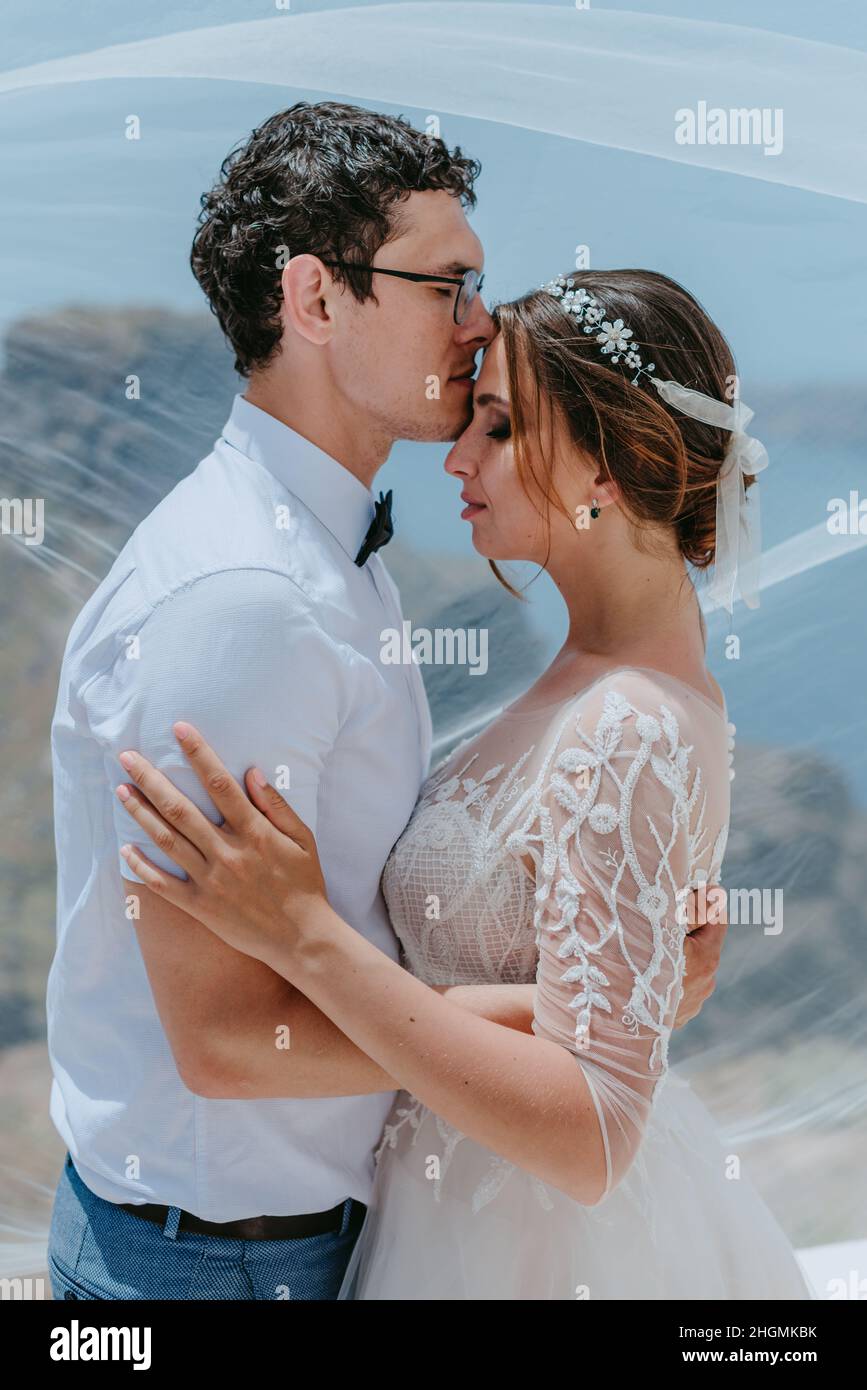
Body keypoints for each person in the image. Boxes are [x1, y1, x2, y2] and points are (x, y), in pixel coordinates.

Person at [44, 100, 727, 1302]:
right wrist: (576, 1017)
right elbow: (225, 1039)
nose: (478, 326)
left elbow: (349, 930)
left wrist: (586, 1009)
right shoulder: (250, 602)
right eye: (447, 287)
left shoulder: (324, 561)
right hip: (216, 1264)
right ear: (315, 300)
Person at [110, 268, 814, 1299]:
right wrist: (600, 1001)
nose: (455, 456)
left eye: (498, 426)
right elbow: (591, 1006)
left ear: (604, 470)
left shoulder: (627, 723)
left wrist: (302, 932)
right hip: (450, 1218)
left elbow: (591, 1139)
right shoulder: (607, 676)